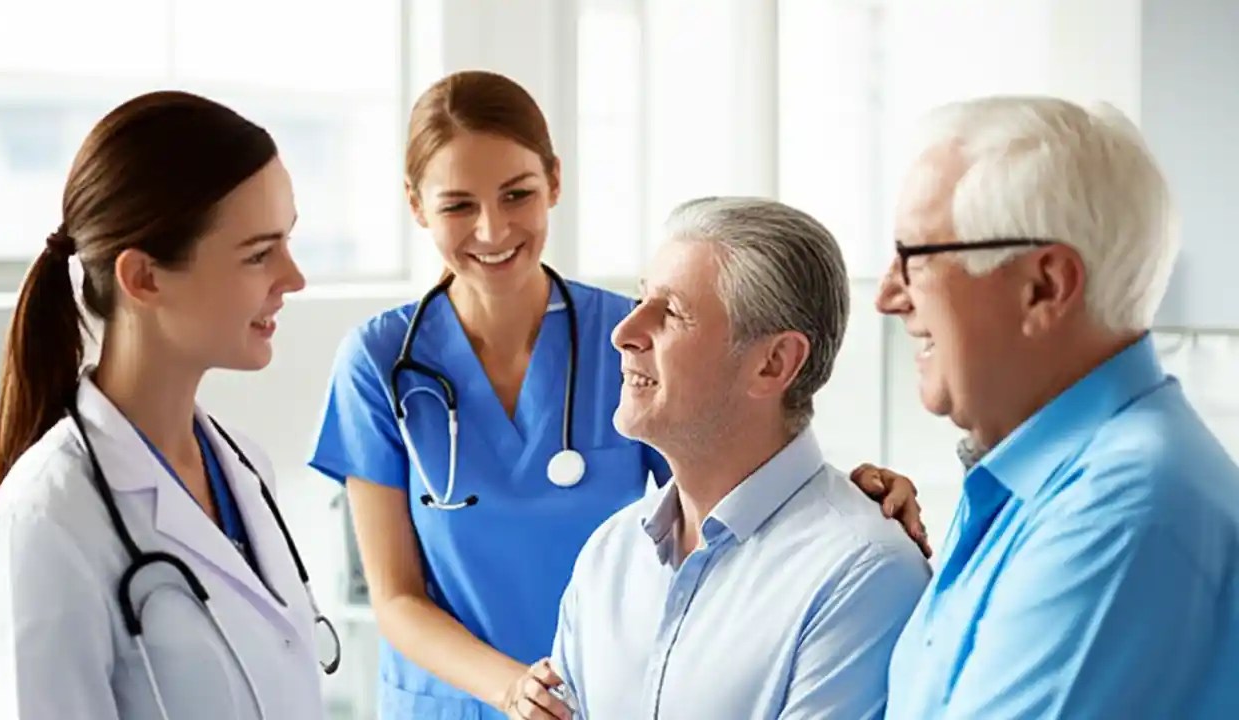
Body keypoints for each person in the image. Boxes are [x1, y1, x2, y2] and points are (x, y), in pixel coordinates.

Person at [308, 70, 927, 719]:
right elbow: (396, 596)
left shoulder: (622, 336)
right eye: (458, 205)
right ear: (416, 205)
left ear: (554, 181)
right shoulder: (383, 361)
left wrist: (843, 499)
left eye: (516, 194)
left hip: (608, 682)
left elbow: (729, 470)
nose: (492, 230)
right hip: (461, 699)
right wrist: (517, 690)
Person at [0, 90, 331, 719]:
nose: (294, 278)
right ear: (144, 278)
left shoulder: (244, 469)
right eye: (259, 253)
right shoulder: (44, 528)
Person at [877, 95, 1239, 719]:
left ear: (1044, 286)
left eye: (915, 259)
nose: (889, 296)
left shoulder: (1125, 505)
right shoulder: (1036, 482)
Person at [547, 197, 932, 720]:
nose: (624, 333)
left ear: (774, 363)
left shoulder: (864, 574)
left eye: (672, 313)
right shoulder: (609, 556)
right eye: (640, 299)